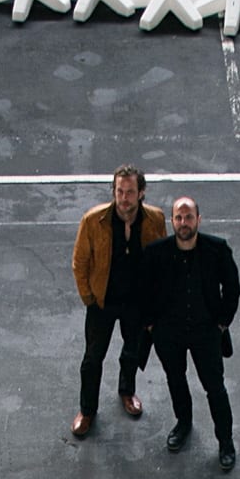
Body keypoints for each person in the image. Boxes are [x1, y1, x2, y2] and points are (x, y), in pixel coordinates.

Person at [142, 197, 240, 472]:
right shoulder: (156, 253)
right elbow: (144, 290)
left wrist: (222, 323)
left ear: (198, 219)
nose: (183, 223)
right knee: (176, 379)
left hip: (205, 333)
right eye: (178, 218)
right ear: (172, 221)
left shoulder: (217, 249)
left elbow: (232, 288)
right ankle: (183, 424)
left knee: (215, 389)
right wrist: (152, 326)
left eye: (188, 217)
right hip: (169, 333)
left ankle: (226, 442)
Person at [70, 166, 166, 438]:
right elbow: (80, 262)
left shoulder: (154, 219)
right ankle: (87, 410)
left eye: (130, 192)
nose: (124, 198)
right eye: (119, 191)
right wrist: (89, 297)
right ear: (113, 192)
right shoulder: (94, 220)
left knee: (132, 351)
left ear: (141, 193)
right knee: (92, 358)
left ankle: (127, 391)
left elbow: (161, 261)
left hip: (136, 302)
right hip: (103, 301)